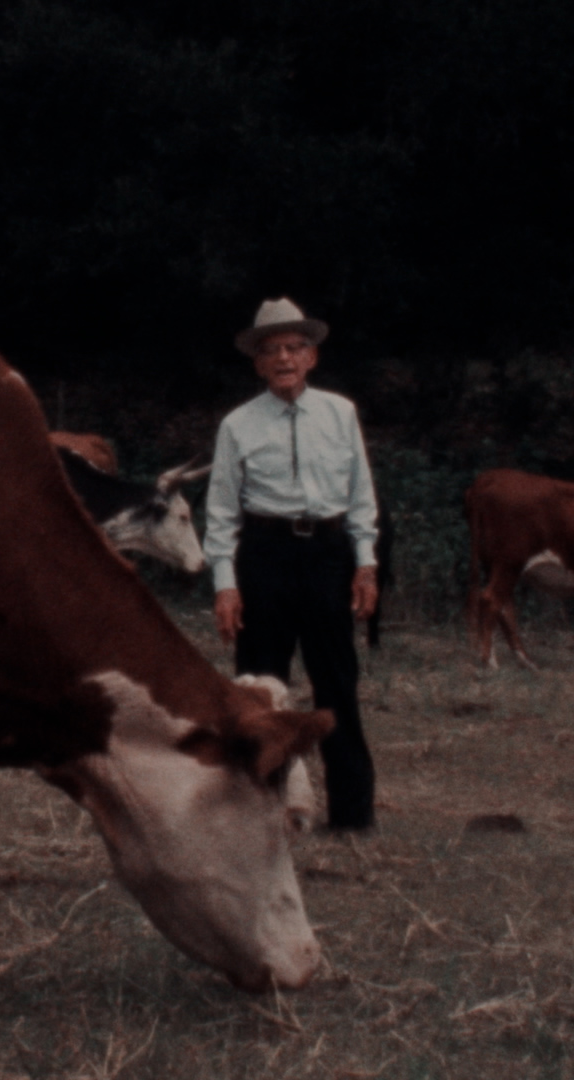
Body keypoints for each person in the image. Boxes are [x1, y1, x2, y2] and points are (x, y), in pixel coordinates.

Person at [204, 298, 379, 831]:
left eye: (294, 347)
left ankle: (352, 816)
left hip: (327, 557)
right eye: (271, 350)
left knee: (336, 684)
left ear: (312, 357)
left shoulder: (340, 413)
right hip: (265, 556)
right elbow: (219, 512)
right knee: (260, 688)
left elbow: (362, 495)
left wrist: (365, 563)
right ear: (257, 364)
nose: (283, 357)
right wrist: (226, 586)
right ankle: (261, 811)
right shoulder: (238, 424)